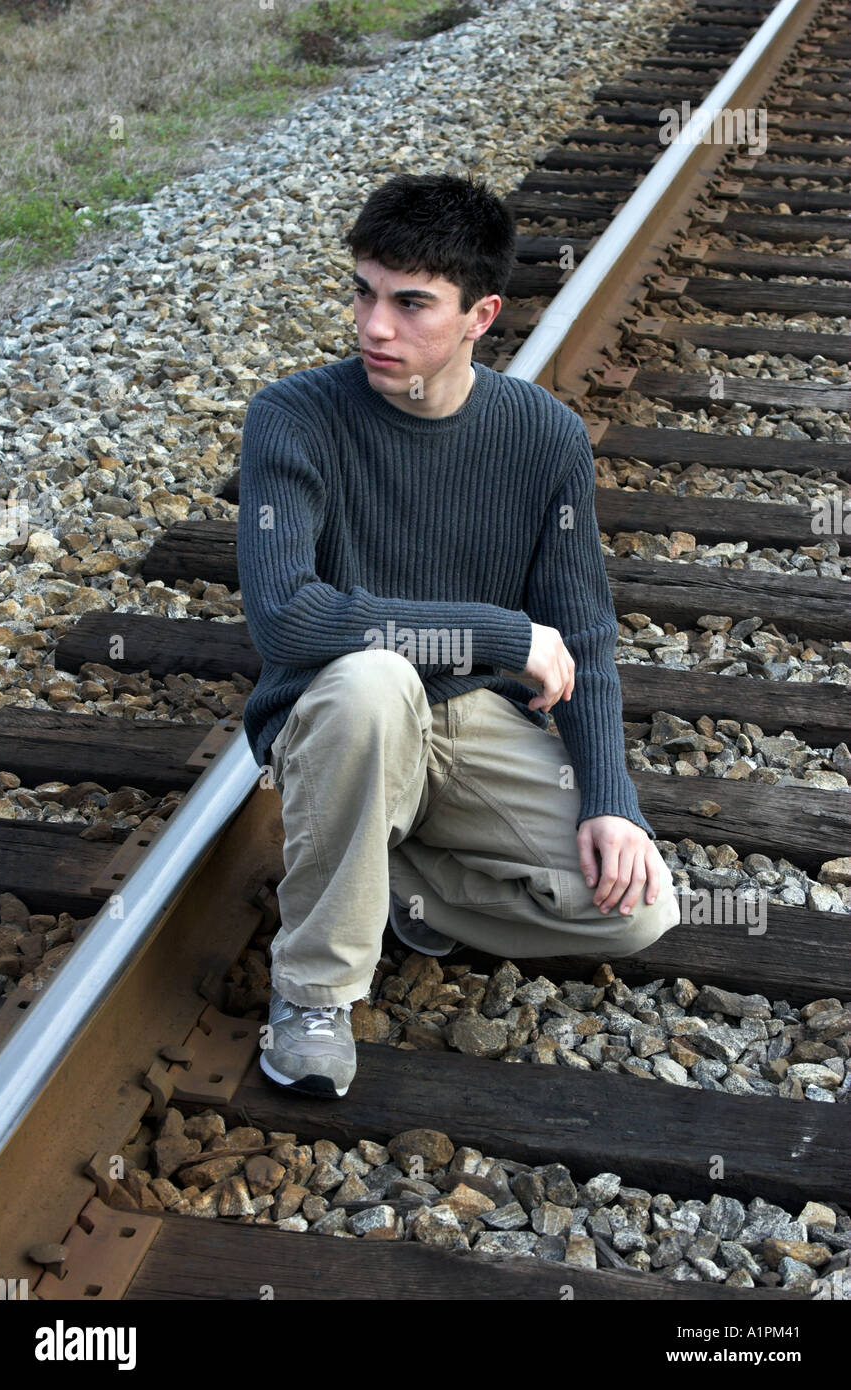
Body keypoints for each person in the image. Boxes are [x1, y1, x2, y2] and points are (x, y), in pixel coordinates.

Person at [236, 172, 680, 1099]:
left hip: (466, 720)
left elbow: (587, 635)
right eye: (362, 291)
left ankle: (401, 884)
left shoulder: (543, 437)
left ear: (481, 315)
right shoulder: (293, 416)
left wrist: (610, 797)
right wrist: (500, 631)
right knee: (374, 683)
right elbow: (286, 617)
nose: (373, 327)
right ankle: (314, 994)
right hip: (340, 707)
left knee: (638, 913)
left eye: (410, 304)